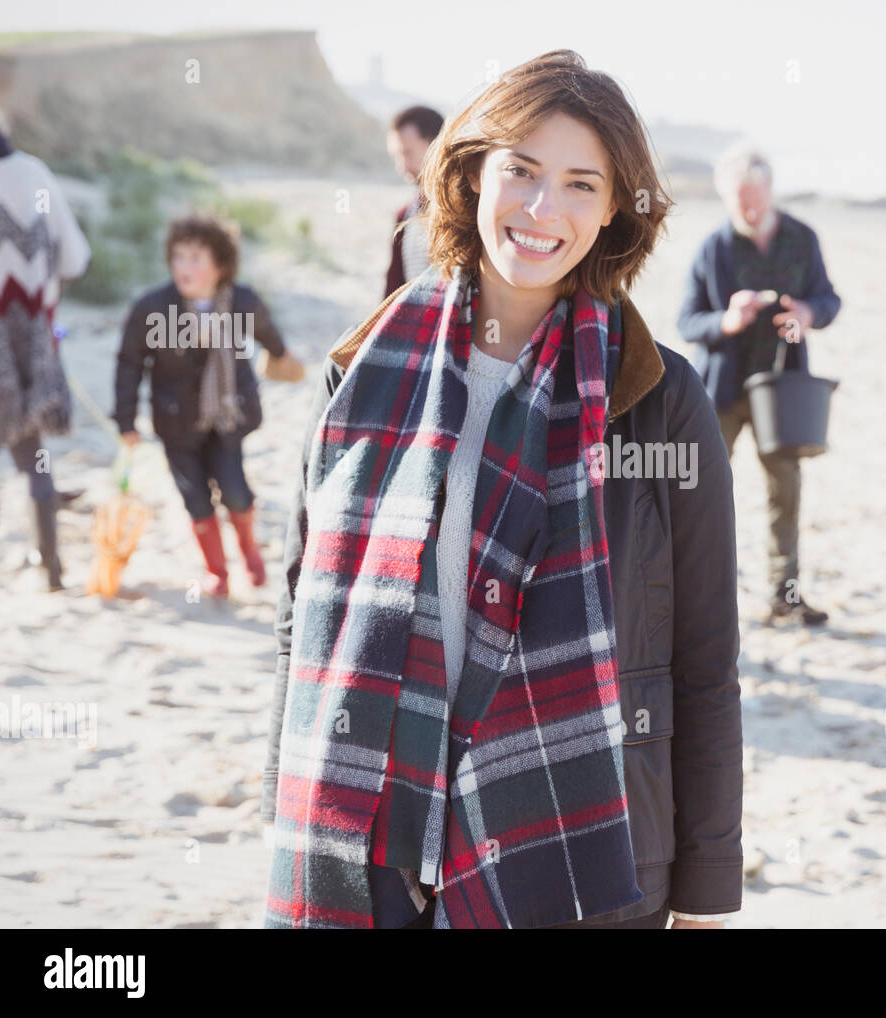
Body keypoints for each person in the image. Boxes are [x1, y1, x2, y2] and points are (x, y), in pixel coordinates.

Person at [261, 50, 743, 930]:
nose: (542, 208)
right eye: (520, 170)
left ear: (614, 212)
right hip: (365, 829)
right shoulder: (359, 374)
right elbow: (302, 616)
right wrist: (288, 806)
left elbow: (705, 661)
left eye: (580, 184)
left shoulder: (659, 398)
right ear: (471, 174)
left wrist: (708, 896)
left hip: (583, 848)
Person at [677, 143, 841, 626]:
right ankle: (698, 598)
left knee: (784, 493)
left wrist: (809, 313)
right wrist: (727, 321)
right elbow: (687, 321)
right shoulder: (714, 248)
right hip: (723, 389)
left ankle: (784, 594)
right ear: (726, 198)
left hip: (783, 390)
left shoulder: (802, 239)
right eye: (739, 200)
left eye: (756, 198)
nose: (749, 209)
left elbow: (829, 300)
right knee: (701, 493)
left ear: (771, 192)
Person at [112, 212, 304, 599]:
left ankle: (249, 547)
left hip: (227, 418)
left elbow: (271, 337)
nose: (184, 266)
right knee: (195, 498)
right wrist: (126, 421)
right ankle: (218, 572)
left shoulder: (242, 302)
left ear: (221, 265)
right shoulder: (151, 308)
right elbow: (129, 363)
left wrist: (283, 356)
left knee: (234, 489)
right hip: (175, 422)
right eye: (178, 257)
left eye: (196, 258)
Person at [0, 97, 91, 591]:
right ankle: (51, 568)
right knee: (32, 452)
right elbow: (74, 258)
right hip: (29, 343)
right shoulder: (33, 174)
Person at [383, 104, 444, 297]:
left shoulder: (471, 211)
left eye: (407, 153)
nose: (401, 167)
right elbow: (392, 295)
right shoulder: (404, 216)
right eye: (397, 156)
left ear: (435, 145)